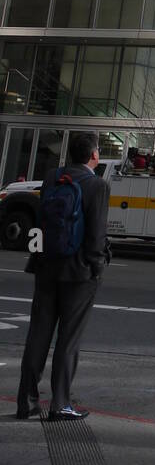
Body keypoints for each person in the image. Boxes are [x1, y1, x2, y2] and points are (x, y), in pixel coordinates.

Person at [16, 132, 110, 421]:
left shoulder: (51, 177)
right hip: (78, 272)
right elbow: (95, 234)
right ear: (94, 155)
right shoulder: (97, 185)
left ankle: (26, 403)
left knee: (38, 336)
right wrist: (97, 267)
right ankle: (60, 404)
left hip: (45, 267)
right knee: (68, 340)